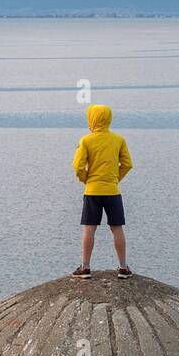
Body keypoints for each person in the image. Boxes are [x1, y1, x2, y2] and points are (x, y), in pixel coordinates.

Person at [71, 103, 132, 278]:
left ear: (92, 119)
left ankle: (85, 268)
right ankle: (123, 267)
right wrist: (115, 179)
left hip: (92, 191)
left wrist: (86, 179)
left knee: (89, 229)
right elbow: (128, 164)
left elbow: (78, 166)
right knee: (117, 228)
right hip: (113, 191)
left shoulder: (86, 140)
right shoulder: (118, 140)